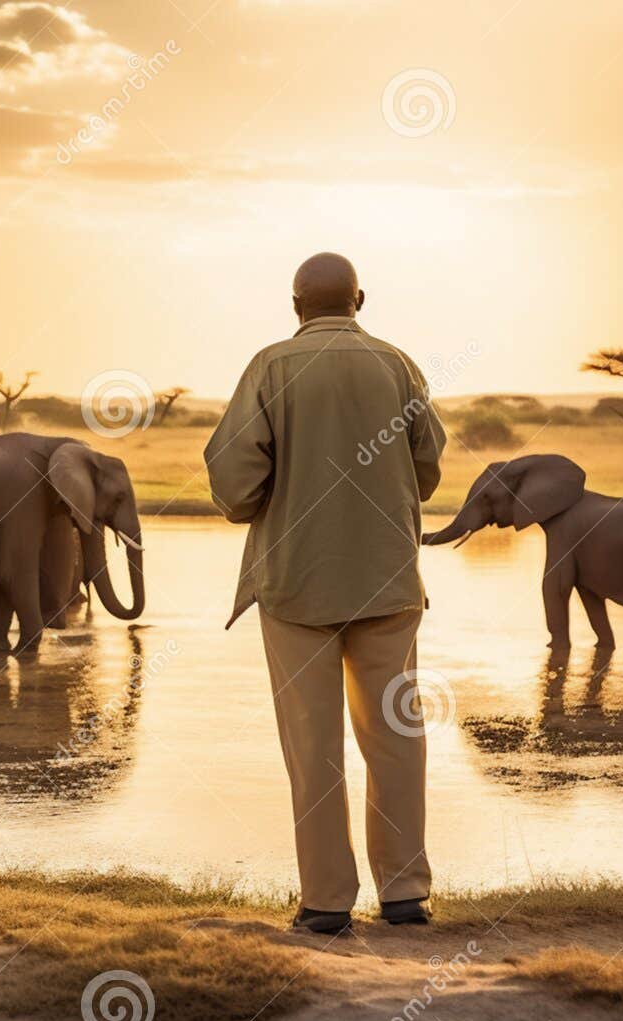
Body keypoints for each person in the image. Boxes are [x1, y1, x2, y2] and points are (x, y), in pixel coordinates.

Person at [203, 253, 445, 934]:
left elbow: (231, 480)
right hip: (389, 580)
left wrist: (270, 496)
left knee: (314, 747)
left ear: (295, 304)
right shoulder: (399, 365)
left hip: (295, 583)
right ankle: (404, 894)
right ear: (360, 299)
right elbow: (426, 469)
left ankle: (326, 904)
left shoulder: (272, 366)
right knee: (397, 736)